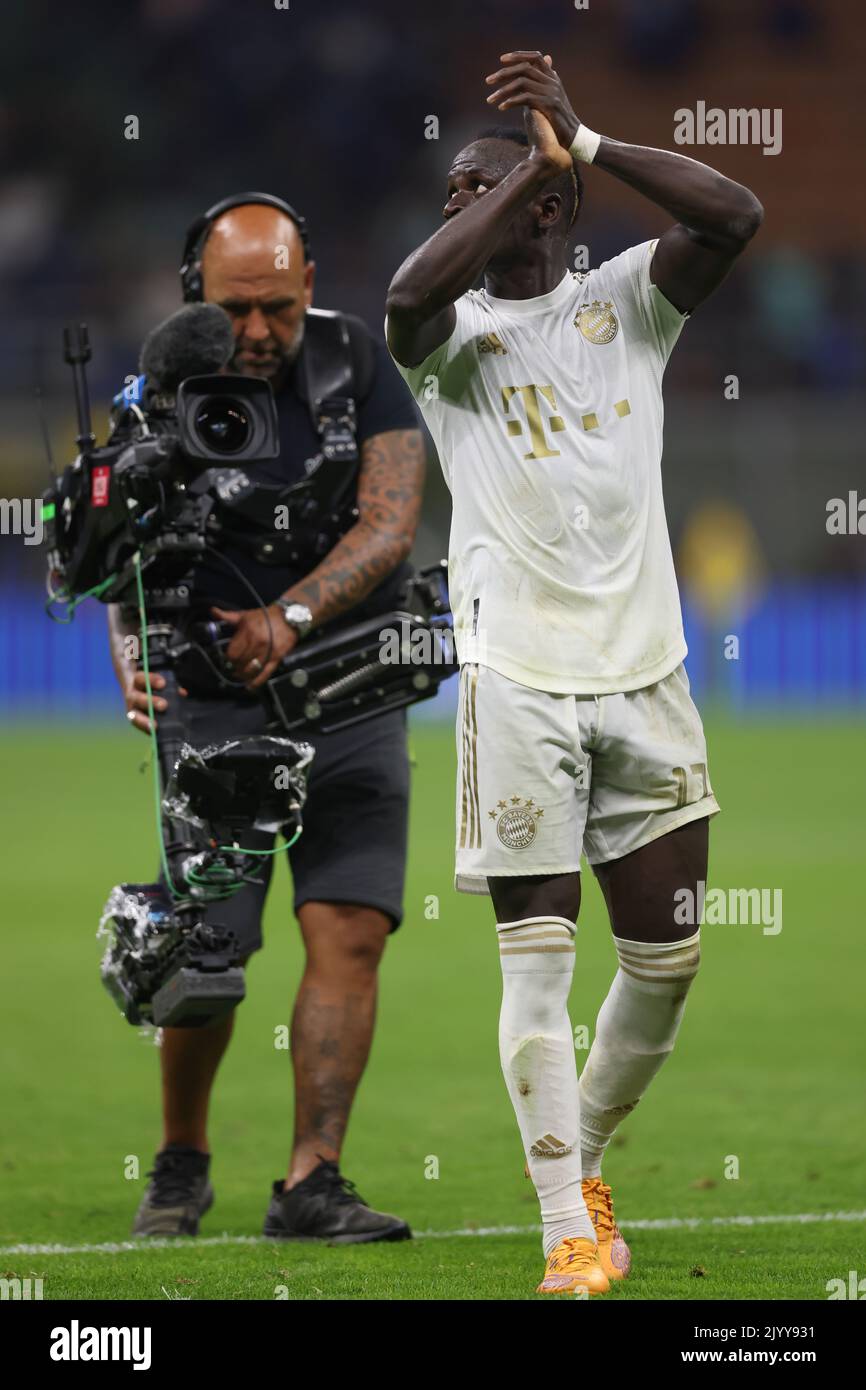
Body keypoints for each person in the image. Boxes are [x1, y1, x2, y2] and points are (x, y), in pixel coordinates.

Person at [385, 52, 762, 1294]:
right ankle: (564, 1230)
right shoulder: (448, 343)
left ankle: (581, 1150)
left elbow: (732, 215)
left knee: (666, 964)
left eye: (476, 186)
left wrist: (582, 146)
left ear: (548, 209)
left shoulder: (624, 303)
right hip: (518, 685)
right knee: (537, 962)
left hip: (645, 675)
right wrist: (517, 178)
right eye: (449, 193)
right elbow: (403, 292)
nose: (455, 206)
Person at [108, 192, 425, 1244]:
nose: (255, 331)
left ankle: (311, 1181)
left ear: (310, 284)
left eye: (277, 308)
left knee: (350, 929)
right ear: (195, 286)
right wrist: (126, 646)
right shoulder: (158, 377)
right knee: (209, 952)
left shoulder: (356, 361)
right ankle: (181, 1159)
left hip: (346, 684)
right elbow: (114, 536)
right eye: (235, 307)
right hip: (212, 696)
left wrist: (289, 615)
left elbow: (390, 521)